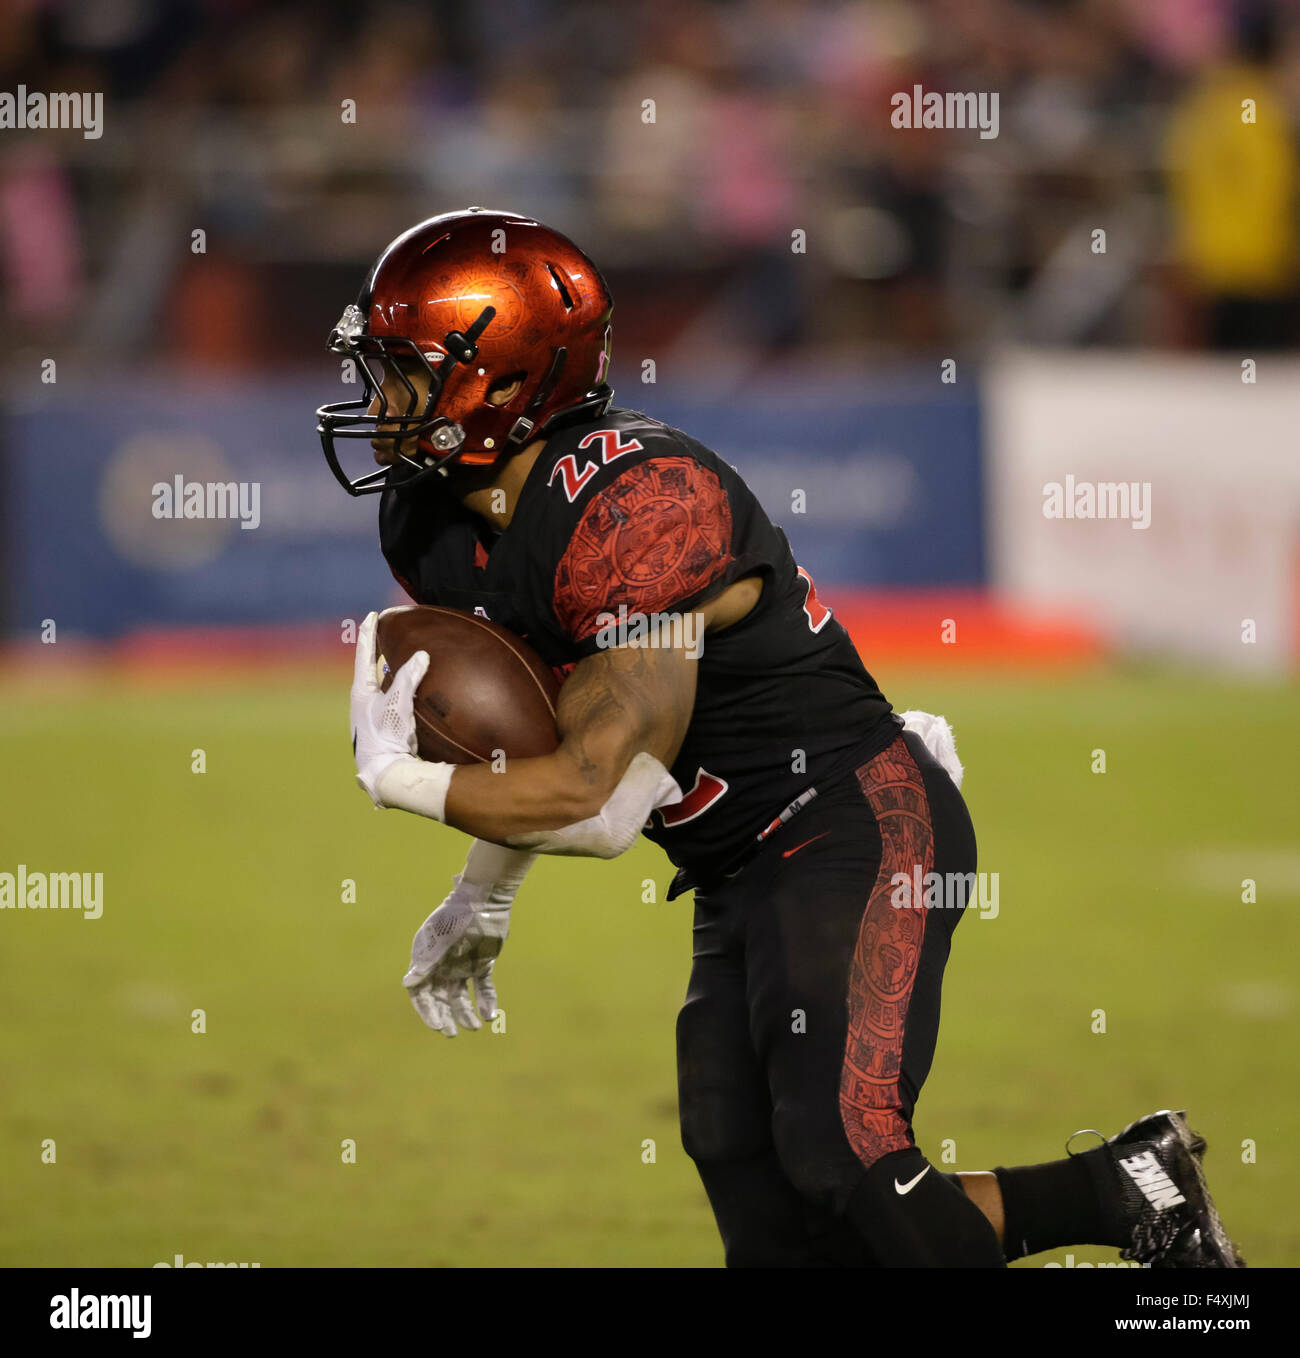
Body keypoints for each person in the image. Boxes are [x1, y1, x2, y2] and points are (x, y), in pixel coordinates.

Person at [317, 207, 1244, 1269]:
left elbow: (598, 797)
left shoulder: (640, 504)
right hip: (738, 861)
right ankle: (1128, 1188)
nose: (379, 401)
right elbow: (549, 711)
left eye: (405, 371)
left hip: (853, 818)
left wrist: (396, 775)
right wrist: (482, 891)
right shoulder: (432, 520)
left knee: (846, 1156)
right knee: (770, 1214)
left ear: (505, 377)